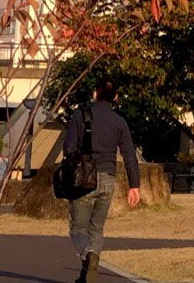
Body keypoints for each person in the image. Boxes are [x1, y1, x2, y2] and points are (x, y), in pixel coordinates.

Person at [62, 84, 142, 283]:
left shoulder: (80, 116)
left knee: (78, 229)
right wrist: (134, 186)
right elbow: (129, 155)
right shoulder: (119, 122)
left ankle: (88, 253)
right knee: (96, 228)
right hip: (108, 178)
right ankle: (87, 274)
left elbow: (69, 147)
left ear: (94, 93)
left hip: (83, 179)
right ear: (116, 97)